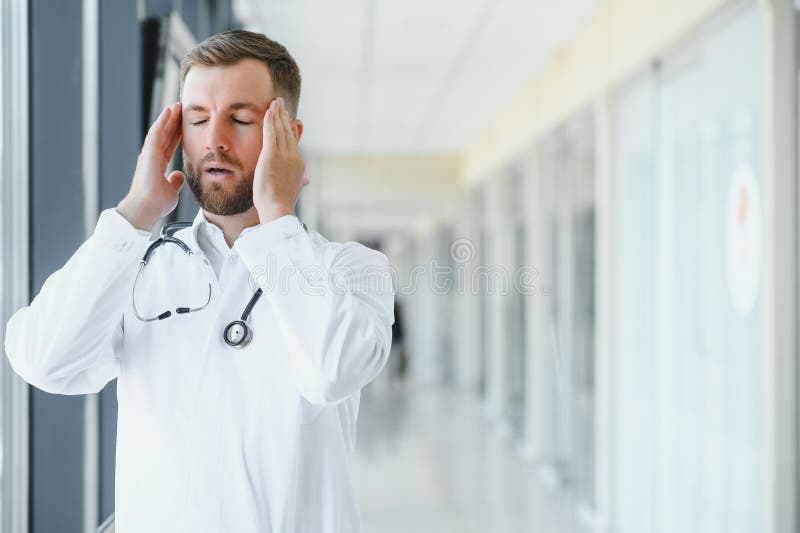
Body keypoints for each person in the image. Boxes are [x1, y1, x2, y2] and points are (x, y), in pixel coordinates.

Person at [4, 30, 394, 533]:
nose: (214, 140)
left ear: (287, 137)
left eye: (240, 118)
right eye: (197, 118)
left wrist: (277, 219)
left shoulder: (350, 270)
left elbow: (330, 372)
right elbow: (44, 360)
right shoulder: (137, 264)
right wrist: (133, 215)